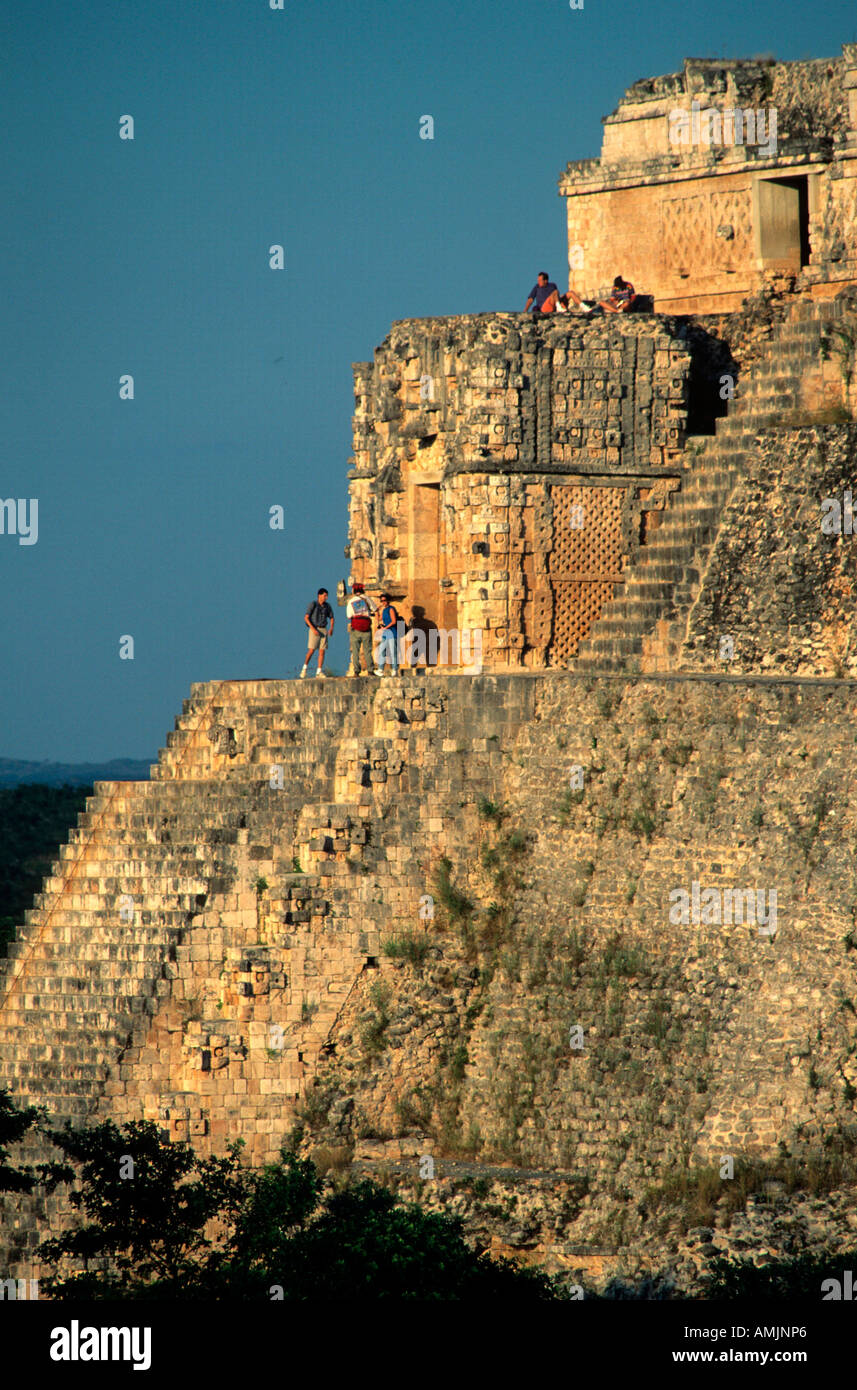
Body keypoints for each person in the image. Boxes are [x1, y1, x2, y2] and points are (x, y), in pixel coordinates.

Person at [300, 588, 334, 678]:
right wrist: (313, 629)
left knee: (322, 651)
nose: (326, 597)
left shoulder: (327, 606)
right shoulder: (313, 604)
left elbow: (331, 617)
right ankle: (304, 669)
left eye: (326, 596)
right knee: (311, 650)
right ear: (319, 595)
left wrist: (331, 628)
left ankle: (319, 671)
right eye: (324, 595)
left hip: (323, 629)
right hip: (314, 629)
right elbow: (306, 617)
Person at [345, 581, 376, 676]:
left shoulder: (351, 601)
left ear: (354, 591)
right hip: (366, 628)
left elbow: (349, 615)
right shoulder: (367, 599)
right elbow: (375, 609)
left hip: (356, 629)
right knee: (367, 650)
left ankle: (356, 671)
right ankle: (370, 670)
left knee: (355, 651)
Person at [374, 593, 400, 677]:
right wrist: (377, 611)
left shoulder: (391, 609)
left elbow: (394, 621)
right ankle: (380, 669)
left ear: (388, 600)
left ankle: (395, 669)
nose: (383, 602)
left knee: (393, 652)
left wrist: (385, 628)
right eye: (381, 601)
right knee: (382, 650)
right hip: (386, 633)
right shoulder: (384, 610)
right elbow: (378, 619)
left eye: (384, 600)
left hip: (392, 632)